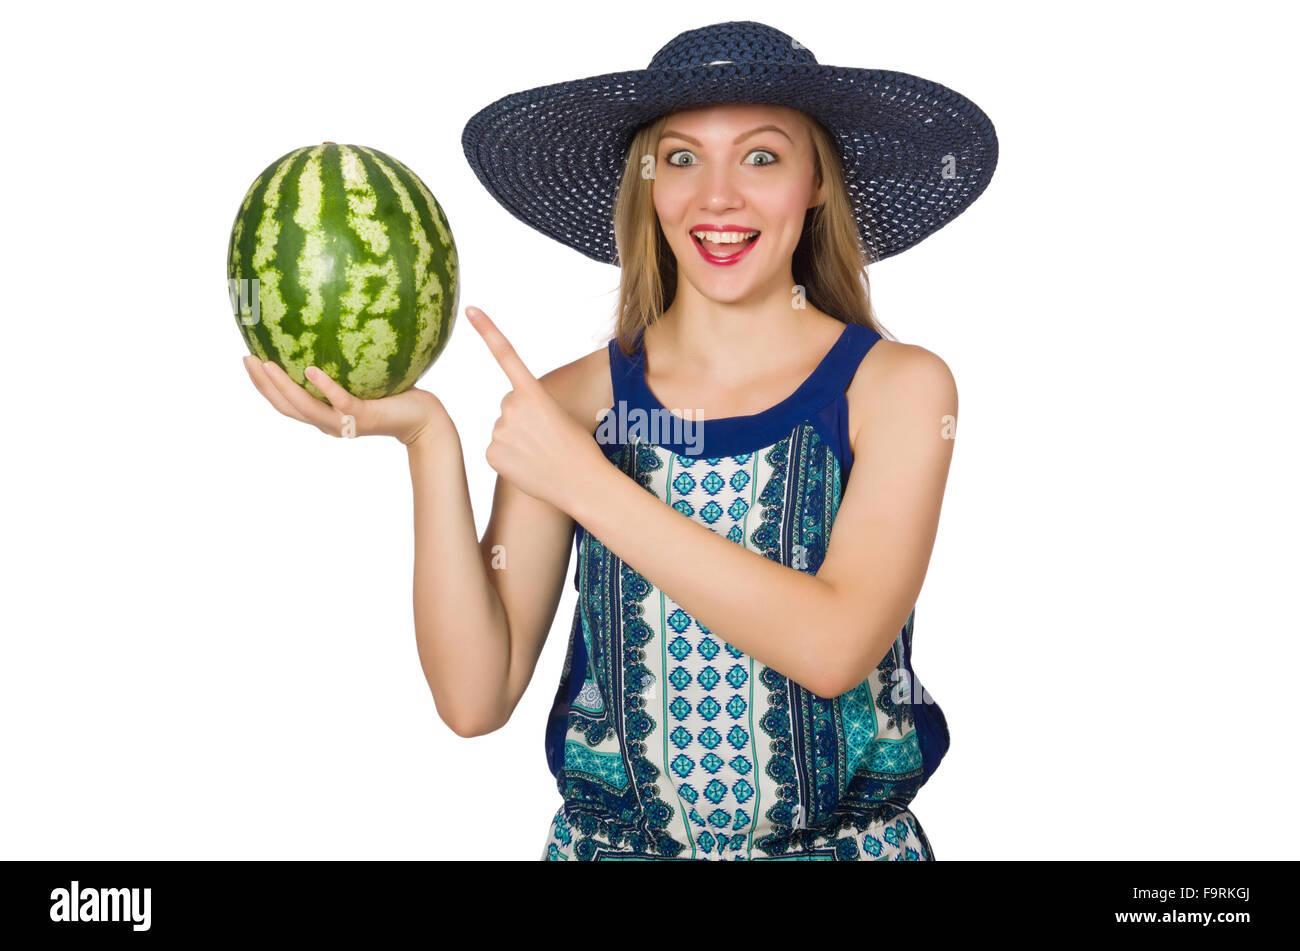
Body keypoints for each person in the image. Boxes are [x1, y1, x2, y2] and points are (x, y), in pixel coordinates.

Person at [244, 20, 997, 861]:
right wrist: (428, 439)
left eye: (761, 157)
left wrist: (584, 479)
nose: (718, 197)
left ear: (817, 180)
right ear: (647, 184)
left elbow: (834, 648)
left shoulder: (897, 389)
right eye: (680, 158)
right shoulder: (564, 406)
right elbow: (474, 697)